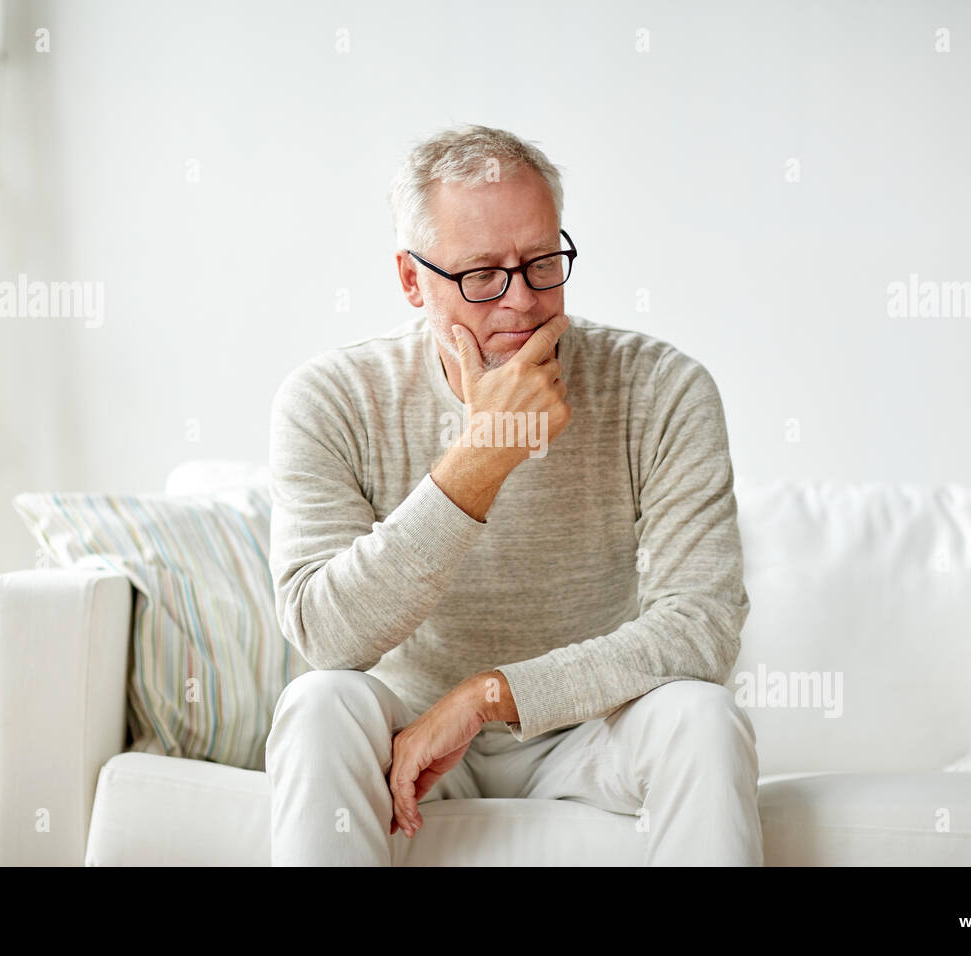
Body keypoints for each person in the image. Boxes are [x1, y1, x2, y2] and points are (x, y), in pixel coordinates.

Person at [265, 124, 762, 865]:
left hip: (591, 730)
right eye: (481, 276)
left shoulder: (662, 387)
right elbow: (325, 635)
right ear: (411, 280)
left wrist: (491, 696)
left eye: (541, 262)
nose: (522, 302)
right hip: (411, 732)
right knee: (318, 704)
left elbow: (704, 625)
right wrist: (481, 457)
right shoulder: (332, 397)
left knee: (705, 715)